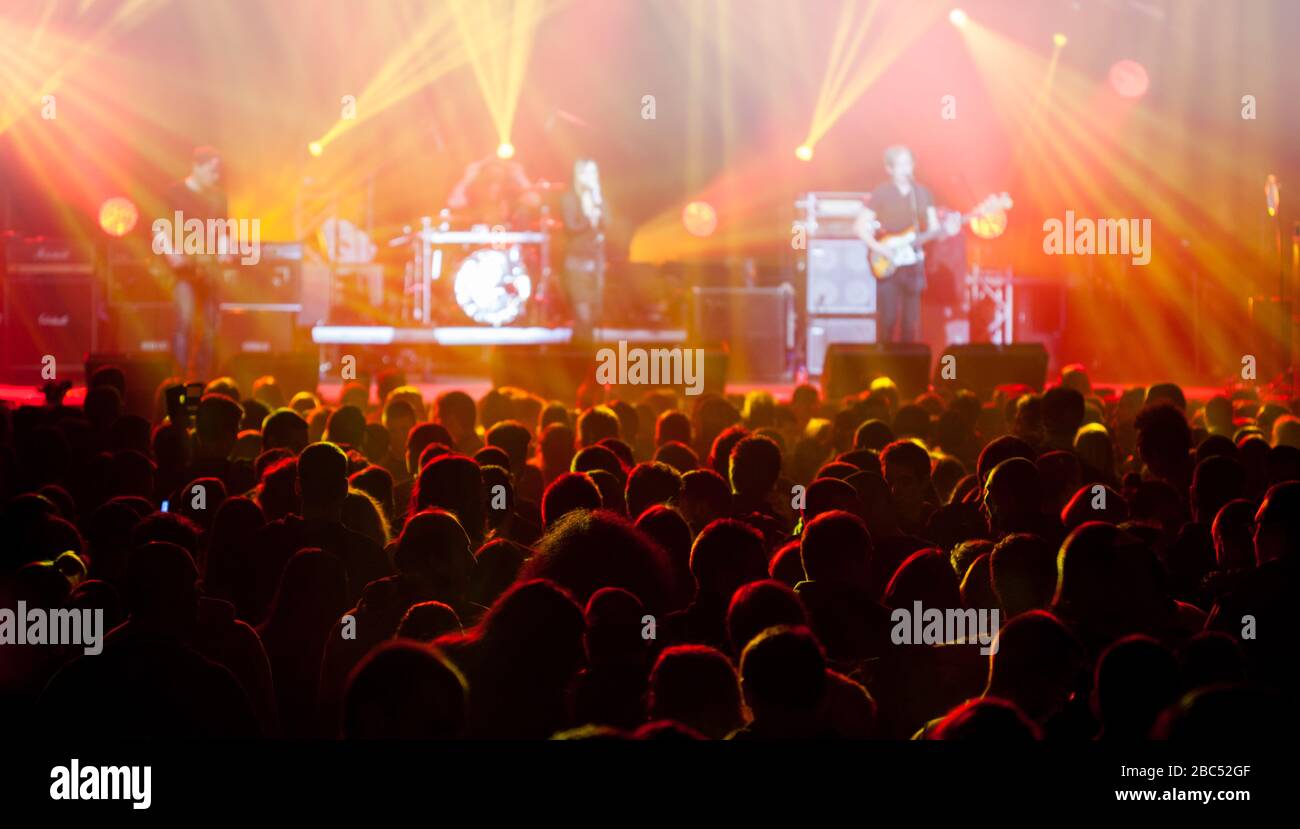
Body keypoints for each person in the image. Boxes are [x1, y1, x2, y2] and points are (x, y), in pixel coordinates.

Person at [857, 145, 956, 343]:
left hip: (914, 266)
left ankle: (909, 369)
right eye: (901, 164)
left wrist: (947, 230)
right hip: (888, 262)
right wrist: (879, 248)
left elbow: (934, 230)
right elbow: (859, 226)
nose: (906, 168)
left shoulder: (922, 194)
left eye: (908, 163)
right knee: (887, 320)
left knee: (911, 323)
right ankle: (884, 368)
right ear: (889, 169)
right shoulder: (881, 193)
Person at [157, 146, 229, 377]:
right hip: (183, 271)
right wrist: (171, 254)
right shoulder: (174, 193)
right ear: (196, 166)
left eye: (218, 172)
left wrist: (225, 252)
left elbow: (223, 231)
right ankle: (177, 378)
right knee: (184, 323)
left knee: (211, 327)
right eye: (211, 170)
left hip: (210, 269)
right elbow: (159, 227)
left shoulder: (218, 197)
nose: (216, 176)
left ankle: (204, 379)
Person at [560, 158, 607, 343]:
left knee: (594, 315)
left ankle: (581, 355)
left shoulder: (599, 199)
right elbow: (572, 226)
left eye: (594, 173)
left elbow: (608, 223)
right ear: (578, 176)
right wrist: (588, 214)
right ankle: (579, 356)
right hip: (577, 262)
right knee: (583, 313)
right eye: (587, 173)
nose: (591, 177)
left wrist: (597, 202)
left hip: (596, 263)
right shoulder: (570, 199)